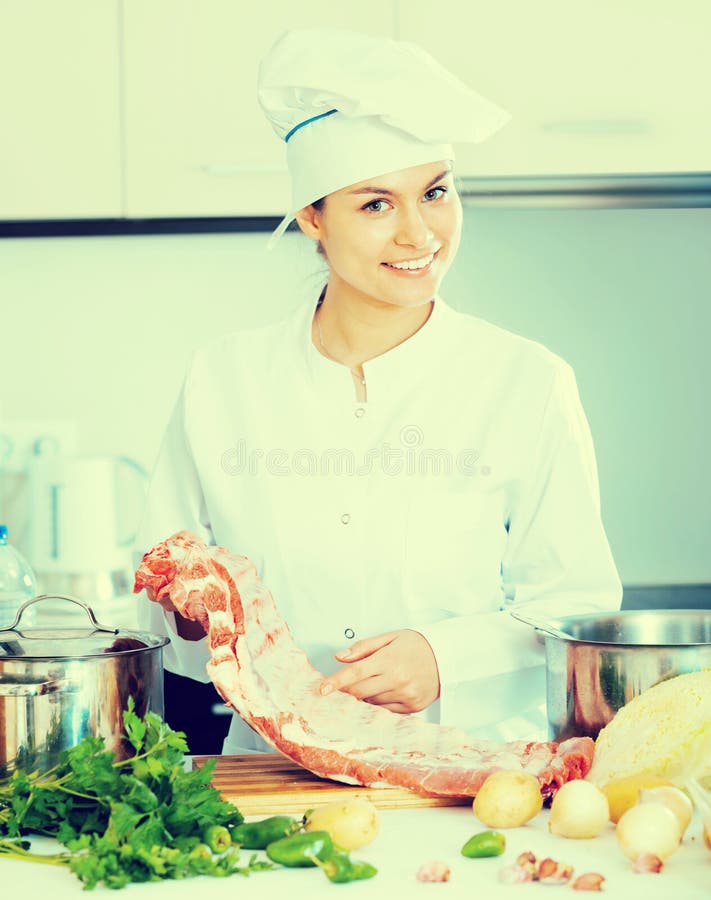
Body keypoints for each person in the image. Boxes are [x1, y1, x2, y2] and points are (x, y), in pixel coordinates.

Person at [134, 28, 622, 753]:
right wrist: (187, 608)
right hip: (272, 771)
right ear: (312, 219)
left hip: (471, 771)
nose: (418, 233)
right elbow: (156, 605)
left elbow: (577, 605)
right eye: (374, 205)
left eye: (434, 193)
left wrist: (445, 658)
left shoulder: (525, 380)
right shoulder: (223, 380)